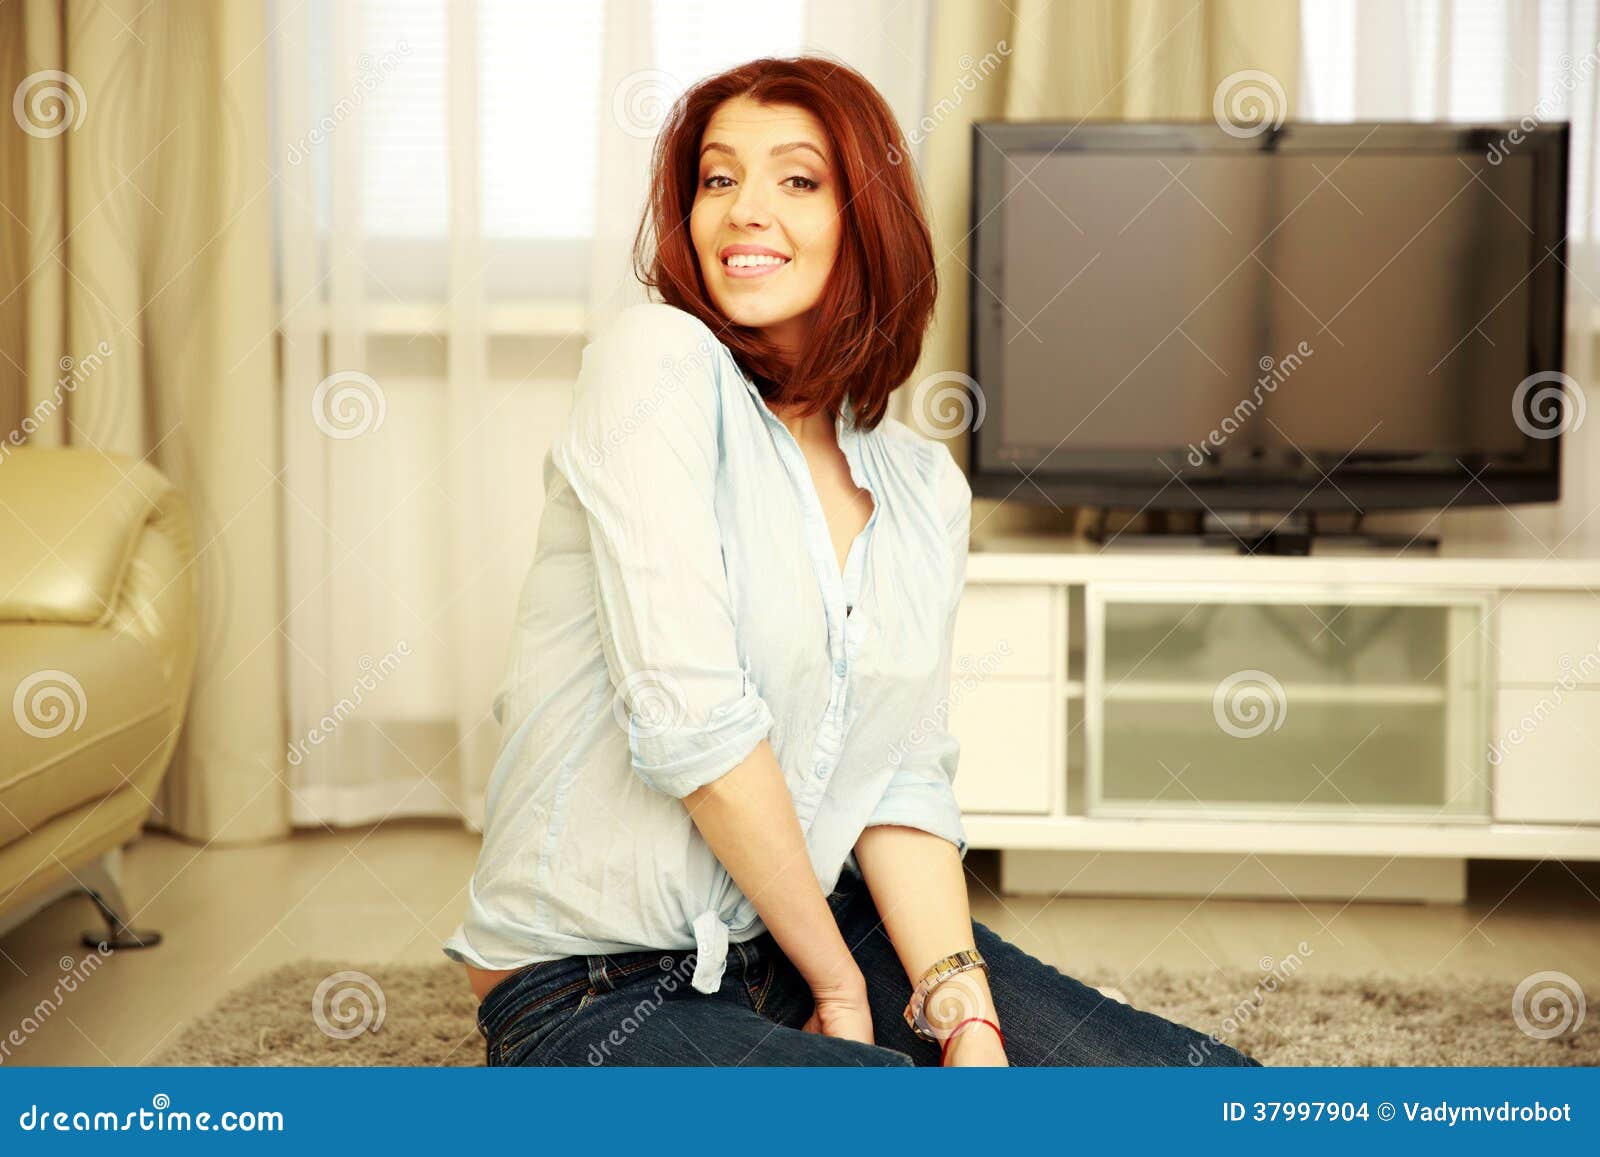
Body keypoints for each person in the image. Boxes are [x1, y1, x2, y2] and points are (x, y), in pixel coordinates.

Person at [442, 54, 1263, 1069]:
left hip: (799, 929)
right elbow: (688, 719)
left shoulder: (924, 487)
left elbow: (901, 779)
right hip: (588, 981)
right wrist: (835, 976)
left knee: (1209, 1090)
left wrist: (964, 1011)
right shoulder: (651, 362)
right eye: (716, 177)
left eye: (796, 179)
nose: (744, 209)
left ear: (864, 220)